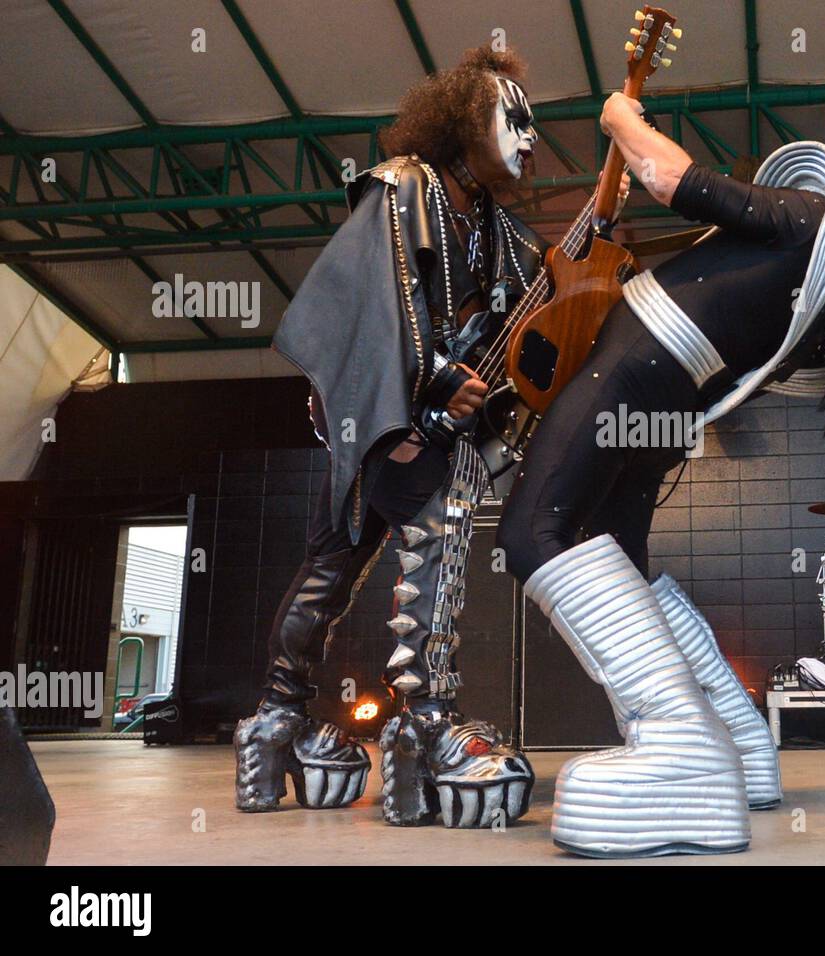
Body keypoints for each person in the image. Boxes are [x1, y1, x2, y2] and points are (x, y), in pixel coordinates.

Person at [496, 91, 825, 857]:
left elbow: (672, 177)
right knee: (620, 555)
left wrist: (618, 115)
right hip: (668, 395)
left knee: (529, 532)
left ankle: (681, 742)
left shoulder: (820, 225)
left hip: (638, 361)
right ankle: (735, 738)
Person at [235, 46, 553, 828]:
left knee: (333, 568)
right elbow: (382, 298)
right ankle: (421, 727)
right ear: (460, 122)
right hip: (389, 422)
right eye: (509, 117)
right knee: (427, 560)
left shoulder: (496, 227)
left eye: (530, 123)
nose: (527, 135)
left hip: (417, 426)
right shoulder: (403, 185)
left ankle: (274, 728)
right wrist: (443, 382)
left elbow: (523, 308)